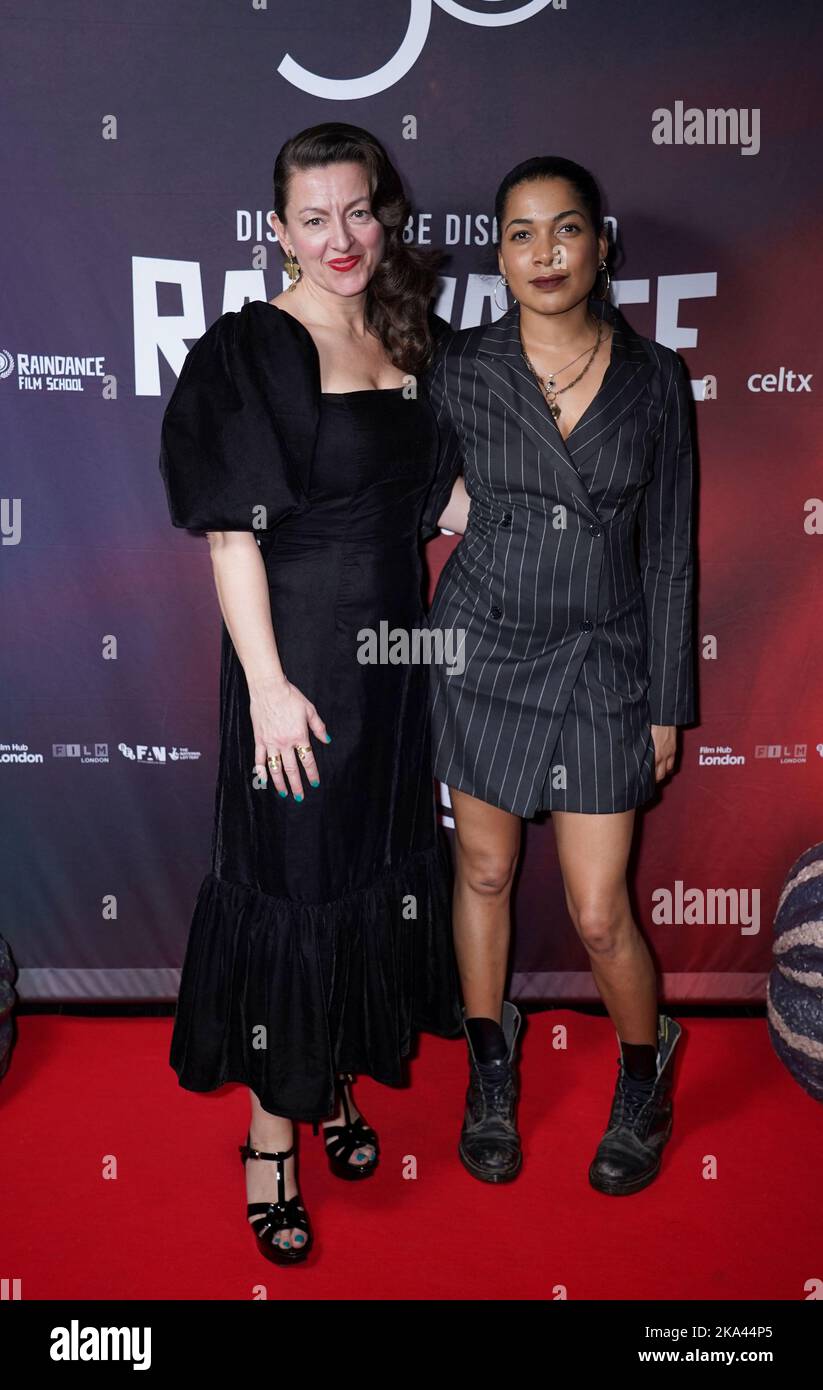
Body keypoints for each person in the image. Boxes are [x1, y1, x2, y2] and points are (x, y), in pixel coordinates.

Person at [159, 122, 463, 1264]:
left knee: (365, 878)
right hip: (298, 666)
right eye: (314, 217)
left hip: (392, 668)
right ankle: (269, 1139)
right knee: (290, 886)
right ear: (277, 230)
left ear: (384, 213)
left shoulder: (402, 332)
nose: (342, 237)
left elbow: (438, 507)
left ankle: (331, 1076)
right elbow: (231, 535)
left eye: (359, 210)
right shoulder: (256, 346)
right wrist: (270, 687)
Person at [421, 155, 696, 1196]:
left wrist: (667, 700)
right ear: (497, 253)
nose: (544, 253)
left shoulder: (655, 377)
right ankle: (490, 1061)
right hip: (483, 650)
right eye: (521, 234)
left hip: (604, 662)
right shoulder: (460, 369)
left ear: (601, 245)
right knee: (483, 872)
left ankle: (645, 1066)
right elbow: (400, 489)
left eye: (565, 230)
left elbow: (669, 552)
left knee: (595, 910)